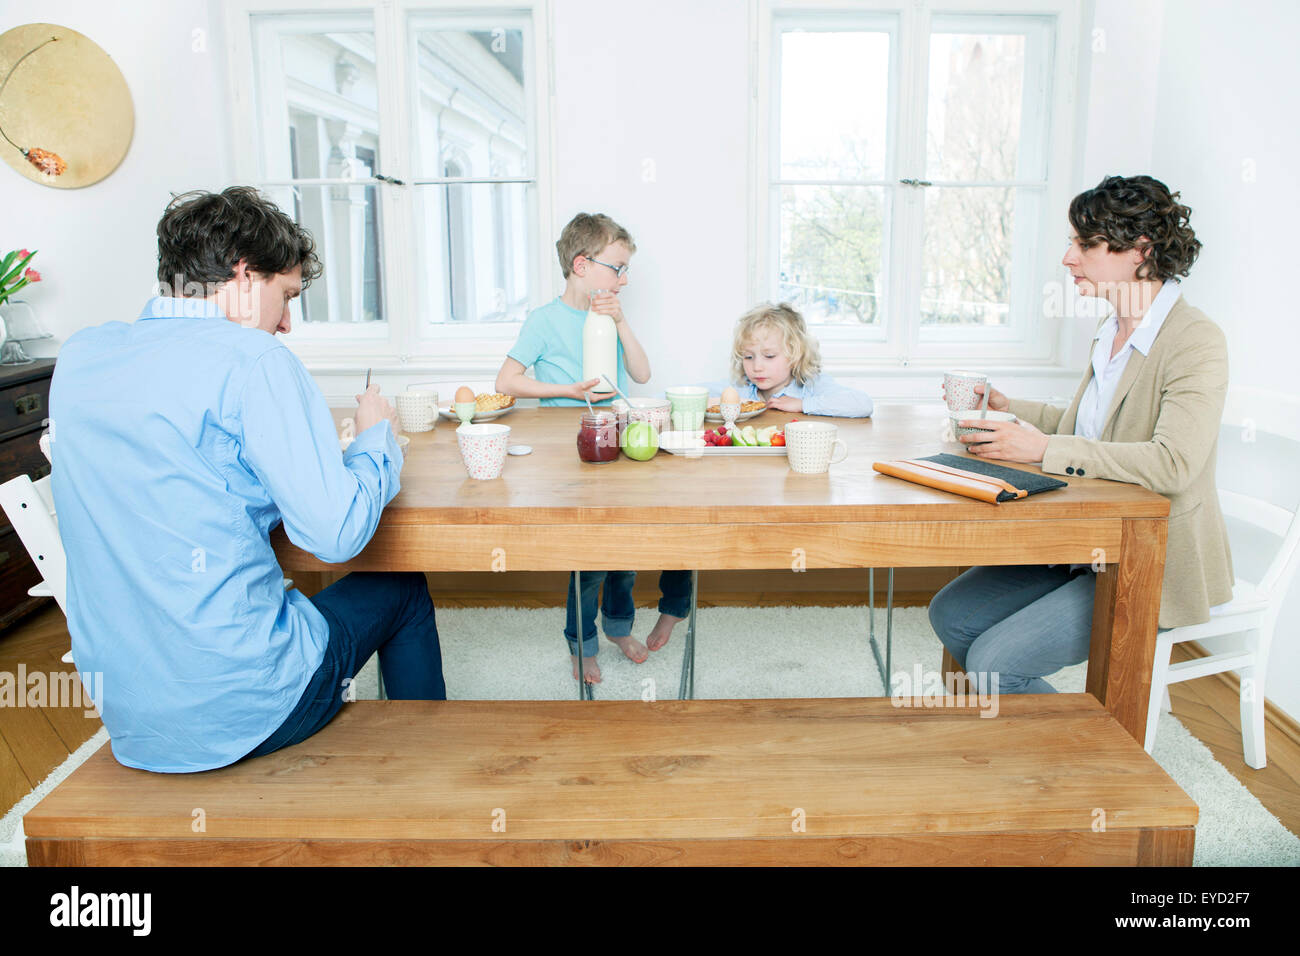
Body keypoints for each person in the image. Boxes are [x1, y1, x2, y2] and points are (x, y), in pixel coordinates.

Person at [49, 186, 446, 773]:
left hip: (130, 718)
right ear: (242, 274)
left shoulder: (82, 355)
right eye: (285, 296)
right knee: (402, 586)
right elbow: (334, 537)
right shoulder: (253, 361)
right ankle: (429, 771)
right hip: (247, 711)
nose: (286, 323)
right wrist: (375, 441)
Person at [929, 174, 1233, 694]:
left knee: (995, 662)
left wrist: (1044, 449)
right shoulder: (1112, 329)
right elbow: (1087, 429)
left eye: (1085, 244)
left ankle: (1071, 768)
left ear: (1140, 251)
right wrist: (1007, 408)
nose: (1068, 258)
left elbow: (1173, 463)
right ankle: (1008, 745)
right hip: (1083, 539)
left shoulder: (1195, 340)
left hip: (1143, 554)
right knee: (952, 615)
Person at [495, 212, 690, 683]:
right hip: (569, 452)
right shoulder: (545, 320)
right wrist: (566, 391)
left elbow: (641, 375)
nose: (624, 279)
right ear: (582, 265)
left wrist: (621, 322)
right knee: (587, 559)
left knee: (624, 550)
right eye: (617, 268)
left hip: (617, 442)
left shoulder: (610, 317)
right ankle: (581, 644)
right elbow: (507, 382)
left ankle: (619, 628)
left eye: (625, 270)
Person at [705, 302, 875, 417]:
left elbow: (862, 404)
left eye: (769, 356)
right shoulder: (740, 388)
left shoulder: (810, 387)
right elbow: (685, 395)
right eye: (748, 357)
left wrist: (803, 405)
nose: (757, 367)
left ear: (795, 355)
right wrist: (720, 402)